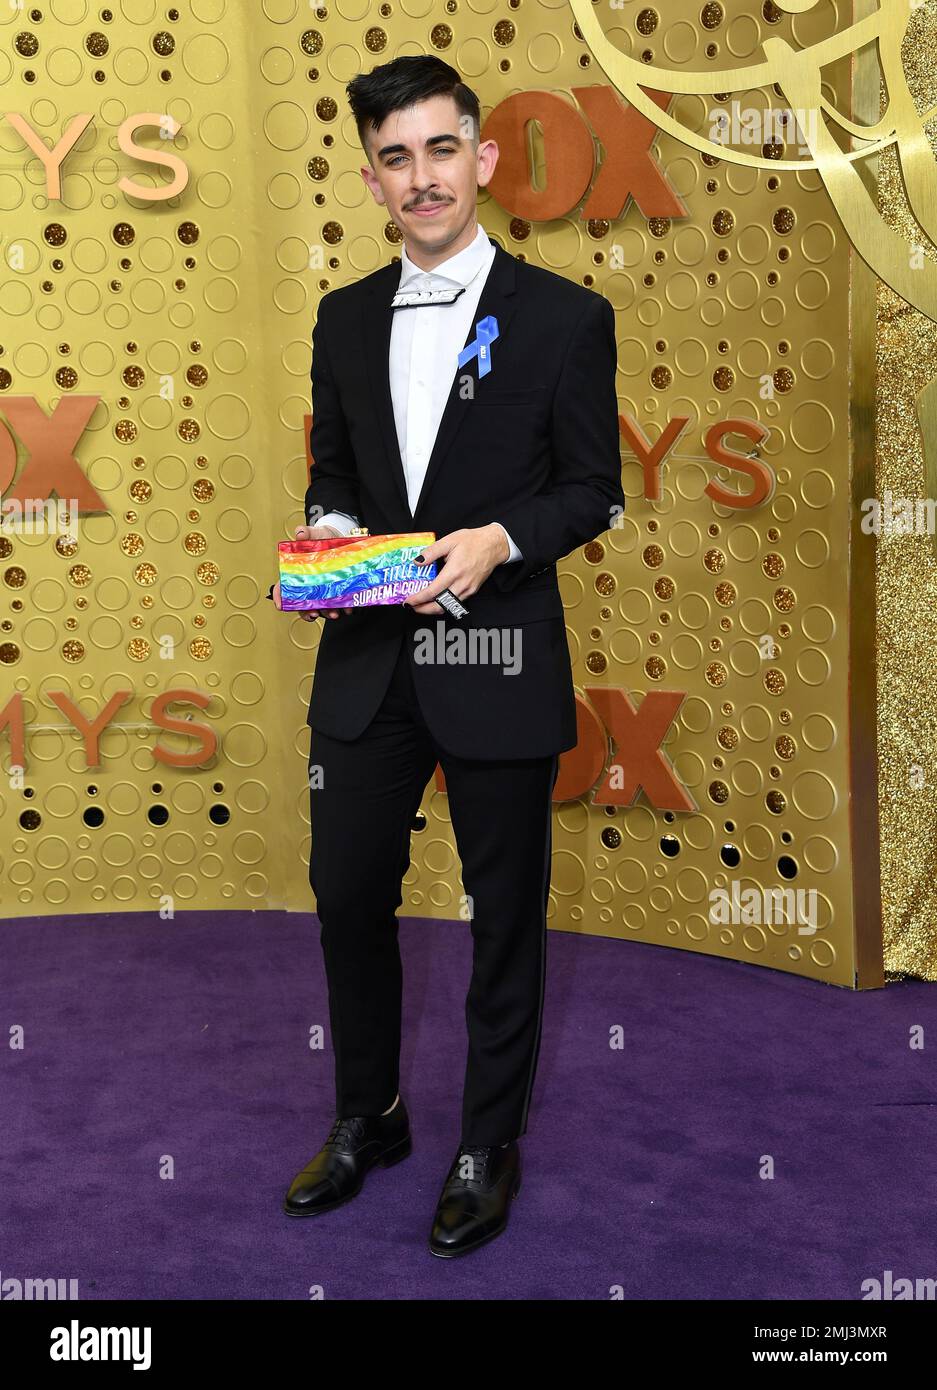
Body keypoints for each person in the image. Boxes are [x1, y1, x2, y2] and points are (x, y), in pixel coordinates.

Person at [270, 53, 624, 1258]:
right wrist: (327, 530)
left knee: (504, 913)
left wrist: (498, 541)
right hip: (367, 662)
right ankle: (368, 1115)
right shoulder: (339, 316)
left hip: (497, 654)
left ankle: (486, 1142)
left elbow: (590, 491)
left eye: (438, 150)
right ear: (370, 176)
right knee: (345, 896)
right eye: (392, 157)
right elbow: (337, 473)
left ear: (478, 159)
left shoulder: (569, 319)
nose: (419, 178)